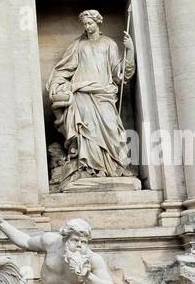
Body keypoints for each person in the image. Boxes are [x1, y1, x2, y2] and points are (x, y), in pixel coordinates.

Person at [47, 9, 134, 180]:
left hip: (103, 93)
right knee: (86, 130)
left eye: (90, 23)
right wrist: (57, 84)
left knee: (110, 126)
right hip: (82, 93)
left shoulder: (109, 44)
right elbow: (64, 68)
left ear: (97, 22)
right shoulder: (78, 45)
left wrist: (130, 50)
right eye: (85, 24)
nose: (87, 26)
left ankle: (112, 165)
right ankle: (88, 167)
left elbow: (120, 74)